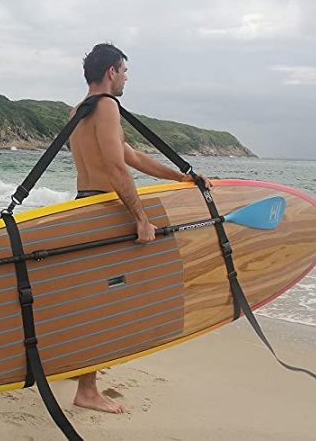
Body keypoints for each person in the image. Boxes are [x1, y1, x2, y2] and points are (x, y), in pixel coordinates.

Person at [68, 43, 211, 414]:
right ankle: (87, 390)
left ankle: (80, 368)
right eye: (125, 71)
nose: (127, 78)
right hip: (104, 211)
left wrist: (181, 177)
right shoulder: (108, 106)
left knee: (90, 295)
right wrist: (141, 218)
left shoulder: (80, 109)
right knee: (105, 299)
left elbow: (132, 156)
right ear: (111, 72)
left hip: (84, 205)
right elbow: (117, 168)